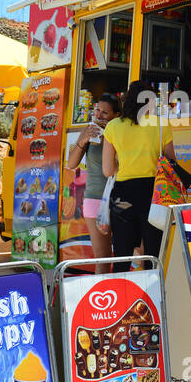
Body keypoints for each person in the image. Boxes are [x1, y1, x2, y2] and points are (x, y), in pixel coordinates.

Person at [101, 80, 178, 271]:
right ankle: (152, 298)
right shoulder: (160, 125)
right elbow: (171, 163)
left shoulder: (112, 127)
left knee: (122, 255)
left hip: (123, 194)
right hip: (153, 194)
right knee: (154, 255)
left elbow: (108, 171)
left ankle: (120, 298)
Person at [64, 93, 119, 271]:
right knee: (102, 259)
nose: (99, 115)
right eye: (97, 110)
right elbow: (71, 165)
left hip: (120, 198)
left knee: (124, 255)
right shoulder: (90, 132)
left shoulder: (120, 133)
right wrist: (83, 140)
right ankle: (102, 295)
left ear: (116, 116)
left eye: (105, 112)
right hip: (95, 199)